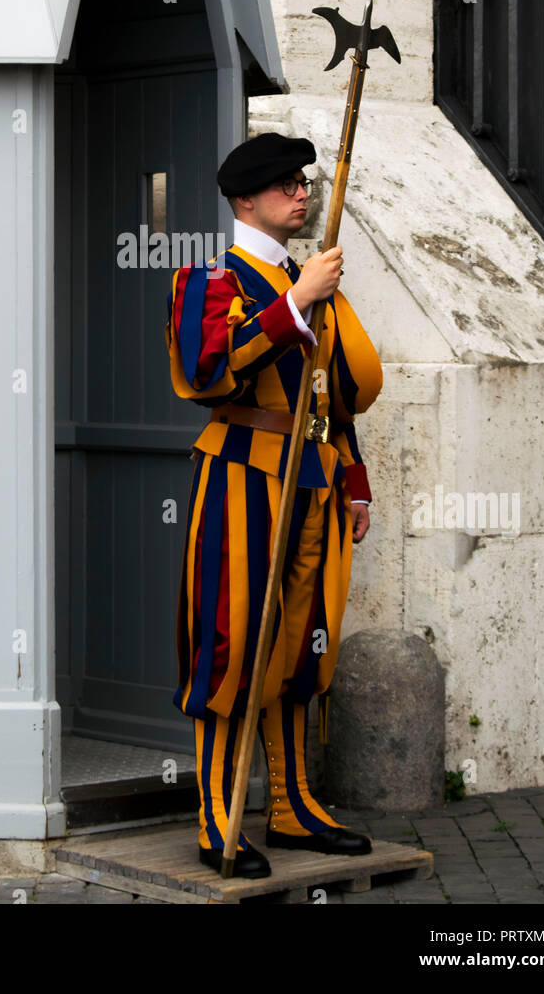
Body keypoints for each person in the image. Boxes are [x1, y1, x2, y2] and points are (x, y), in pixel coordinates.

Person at [165, 132, 383, 878]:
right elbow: (207, 370)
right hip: (241, 476)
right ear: (246, 200)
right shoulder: (207, 281)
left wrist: (352, 480)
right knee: (232, 644)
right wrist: (294, 303)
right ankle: (218, 816)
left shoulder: (308, 281)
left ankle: (292, 808)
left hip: (314, 478)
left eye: (303, 183)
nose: (302, 194)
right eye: (287, 185)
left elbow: (333, 396)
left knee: (300, 644)